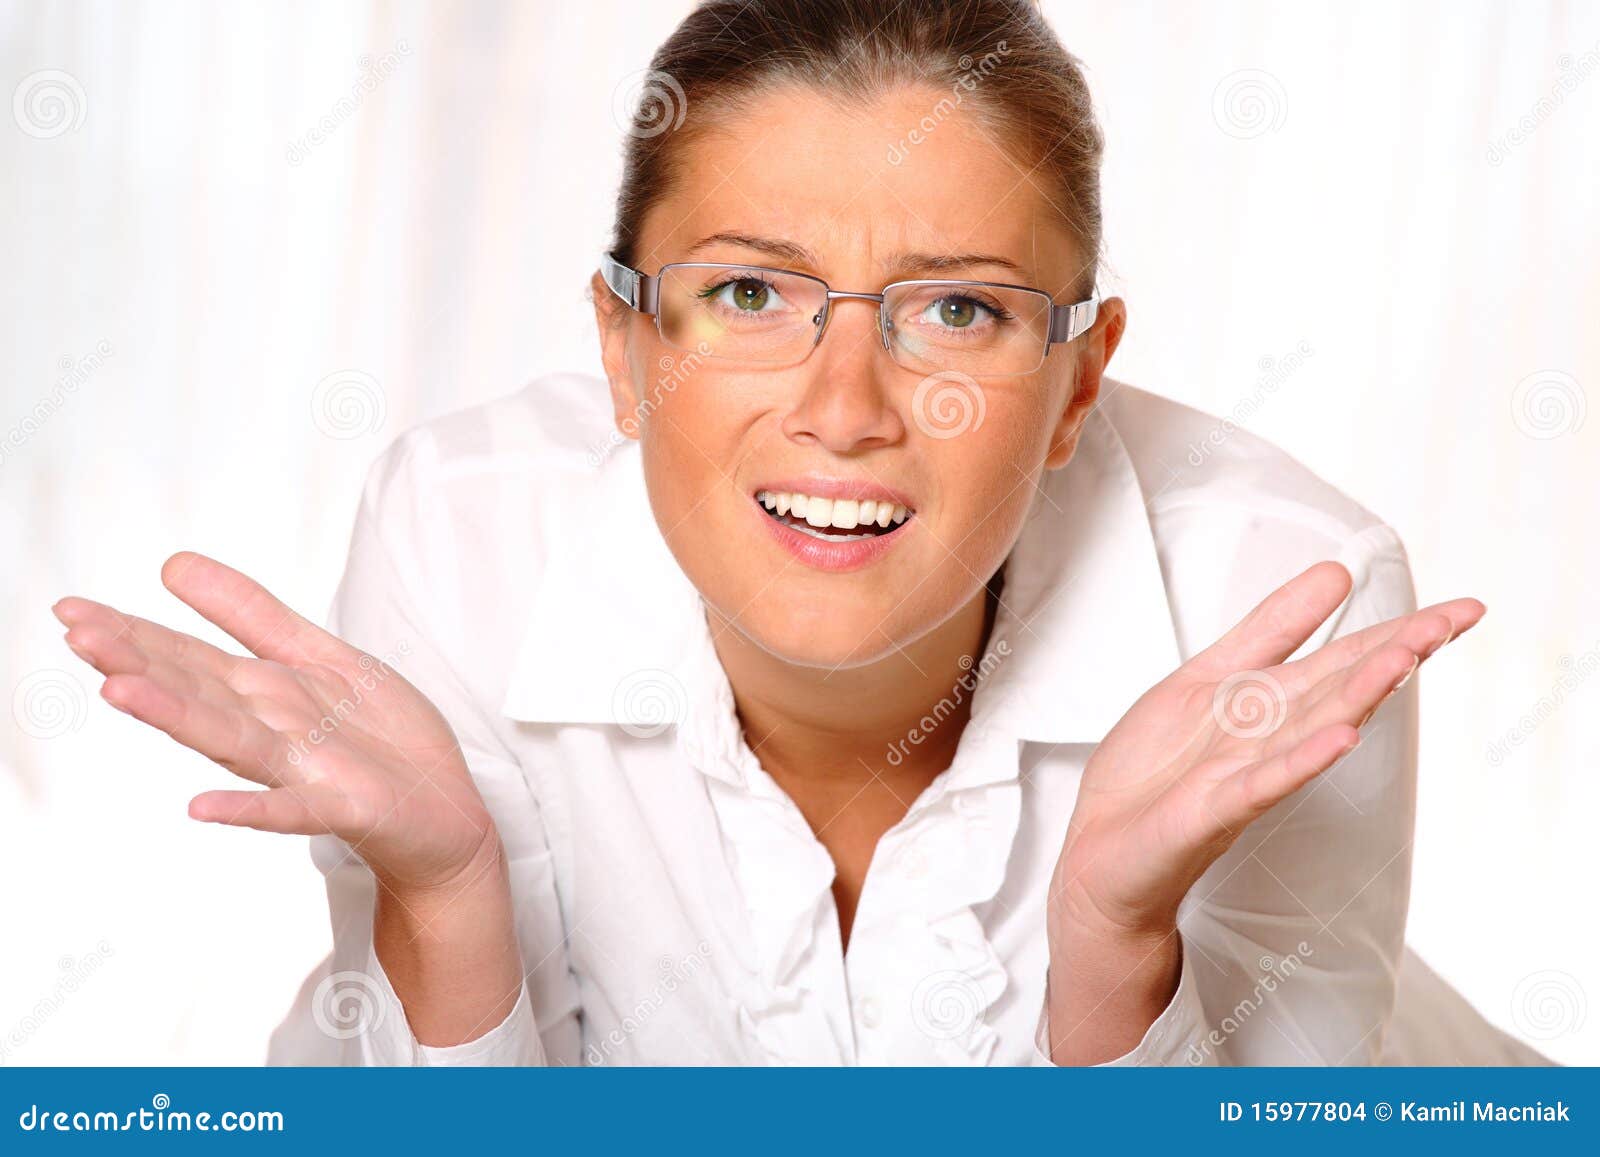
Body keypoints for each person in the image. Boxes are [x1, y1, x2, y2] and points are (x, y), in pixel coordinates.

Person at [53, 0, 1499, 1065]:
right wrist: (447, 904)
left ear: (1076, 384)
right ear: (625, 347)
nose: (844, 409)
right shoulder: (462, 540)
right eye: (750, 294)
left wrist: (1116, 958)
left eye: (959, 308)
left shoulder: (1278, 602)